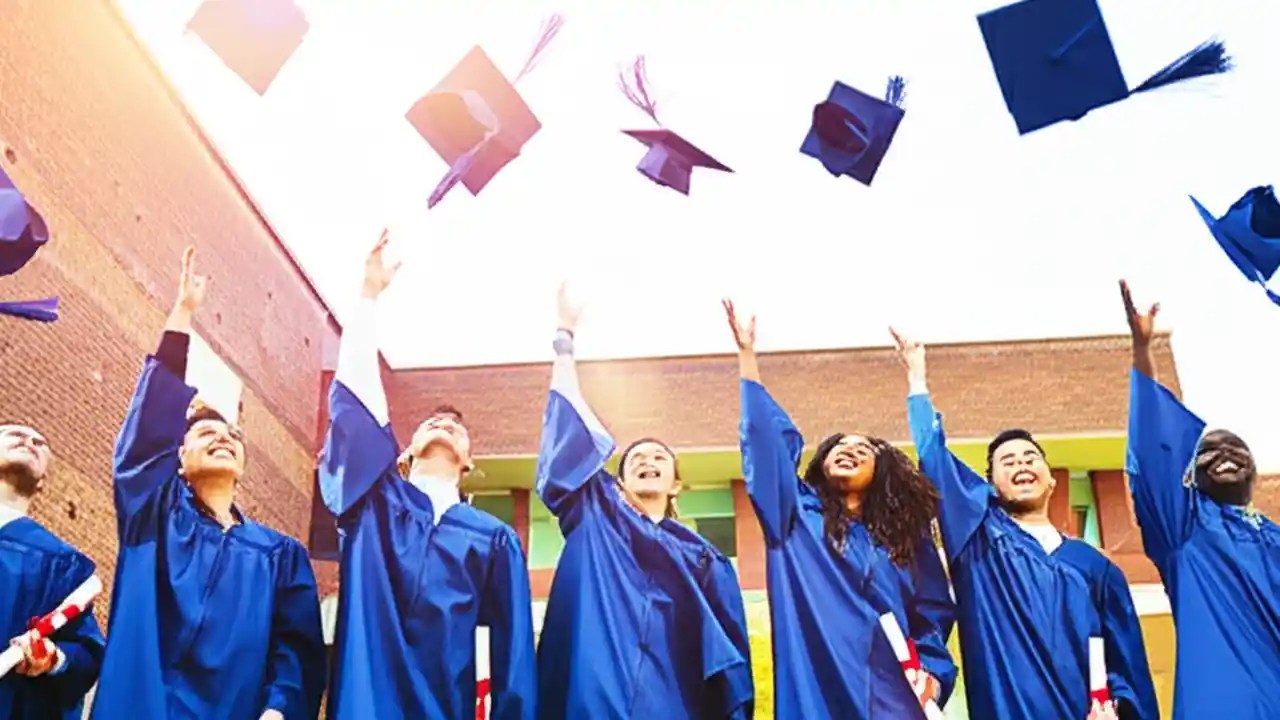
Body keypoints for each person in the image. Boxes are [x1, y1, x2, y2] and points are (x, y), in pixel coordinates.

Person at [92, 247, 326, 720]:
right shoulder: (152, 517)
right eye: (204, 432)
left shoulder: (279, 558)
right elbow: (142, 443)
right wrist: (182, 316)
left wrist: (279, 710)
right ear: (177, 459)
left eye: (233, 436)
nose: (223, 436)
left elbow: (296, 651)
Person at [319, 231, 535, 720]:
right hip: (364, 701)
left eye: (458, 428)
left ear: (469, 462)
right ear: (401, 454)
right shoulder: (372, 503)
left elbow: (514, 654)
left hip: (445, 706)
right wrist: (368, 298)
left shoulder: (493, 539)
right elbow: (355, 403)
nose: (445, 425)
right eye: (433, 422)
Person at [724, 300, 956, 719]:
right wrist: (747, 357)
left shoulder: (906, 538)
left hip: (894, 695)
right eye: (837, 447)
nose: (847, 451)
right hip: (819, 688)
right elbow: (763, 446)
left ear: (881, 469)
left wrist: (933, 674)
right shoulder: (793, 521)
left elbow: (932, 615)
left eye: (861, 449)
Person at [533, 284, 753, 719]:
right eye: (636, 458)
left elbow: (731, 663)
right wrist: (564, 340)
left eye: (659, 458)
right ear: (618, 481)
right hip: (589, 703)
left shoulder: (705, 560)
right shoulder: (594, 515)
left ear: (676, 486)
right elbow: (565, 425)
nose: (648, 461)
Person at [890, 327, 1129, 720]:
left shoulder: (1093, 566)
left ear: (1052, 479)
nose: (1021, 464)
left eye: (1030, 457)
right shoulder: (978, 542)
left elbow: (1122, 658)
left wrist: (1116, 705)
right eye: (1008, 461)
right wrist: (917, 376)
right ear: (990, 486)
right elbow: (934, 457)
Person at [1119, 279, 1280, 720]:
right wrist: (1142, 351)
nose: (1224, 455)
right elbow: (1154, 446)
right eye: (1209, 452)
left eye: (1236, 449)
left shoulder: (1274, 539)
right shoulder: (1187, 532)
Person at [0, 422, 105, 719]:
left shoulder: (62, 564)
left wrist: (52, 658)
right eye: (15, 435)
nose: (29, 441)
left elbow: (86, 654)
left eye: (39, 442)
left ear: (43, 481)